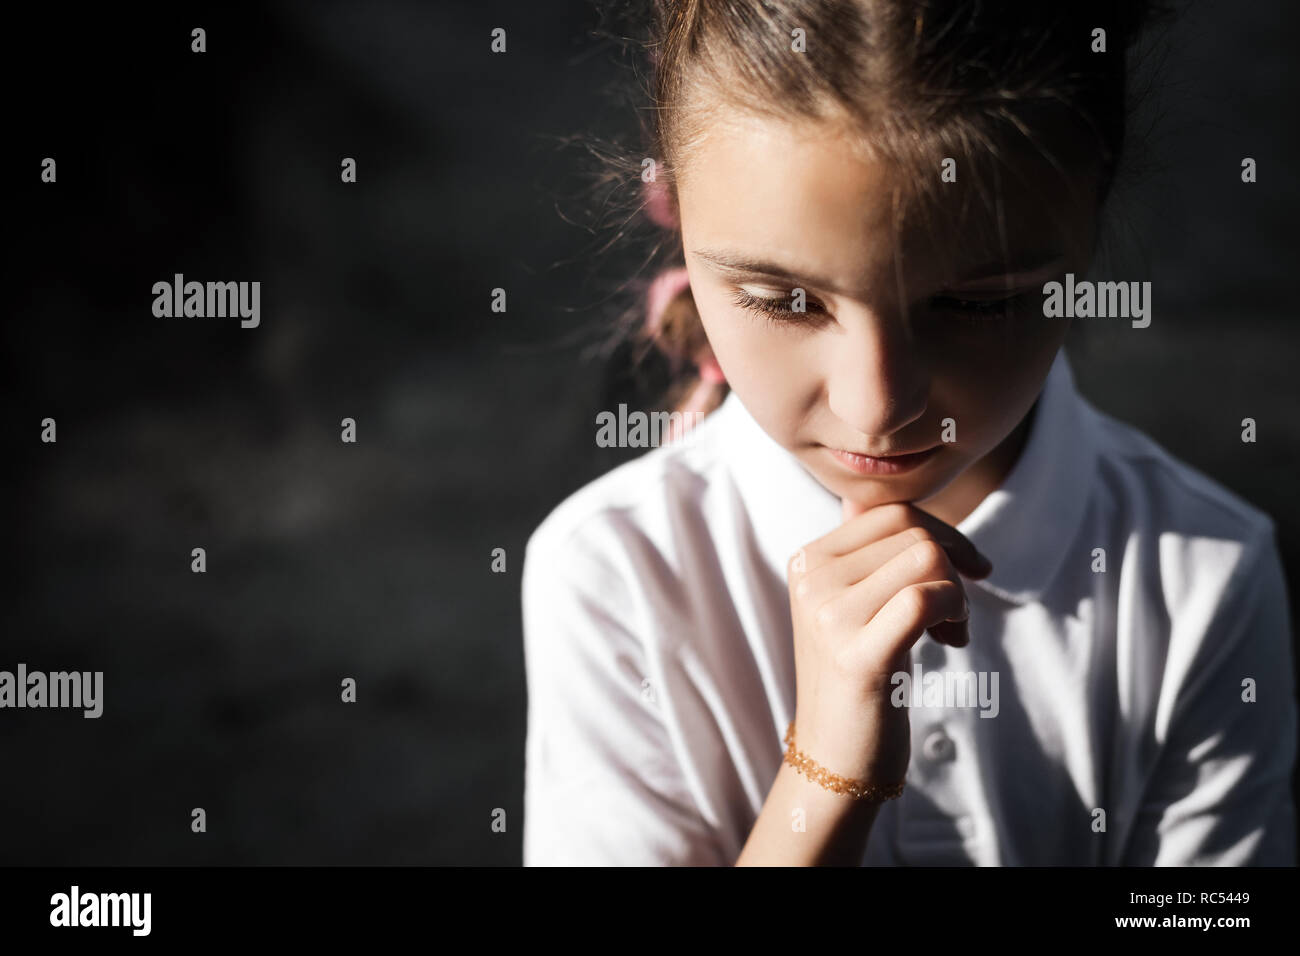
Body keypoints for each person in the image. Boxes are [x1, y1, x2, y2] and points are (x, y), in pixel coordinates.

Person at [520, 0, 1297, 865]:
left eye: (978, 302)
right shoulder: (614, 574)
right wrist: (825, 777)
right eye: (785, 301)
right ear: (676, 212)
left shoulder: (1202, 575)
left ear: (1089, 226)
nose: (878, 407)